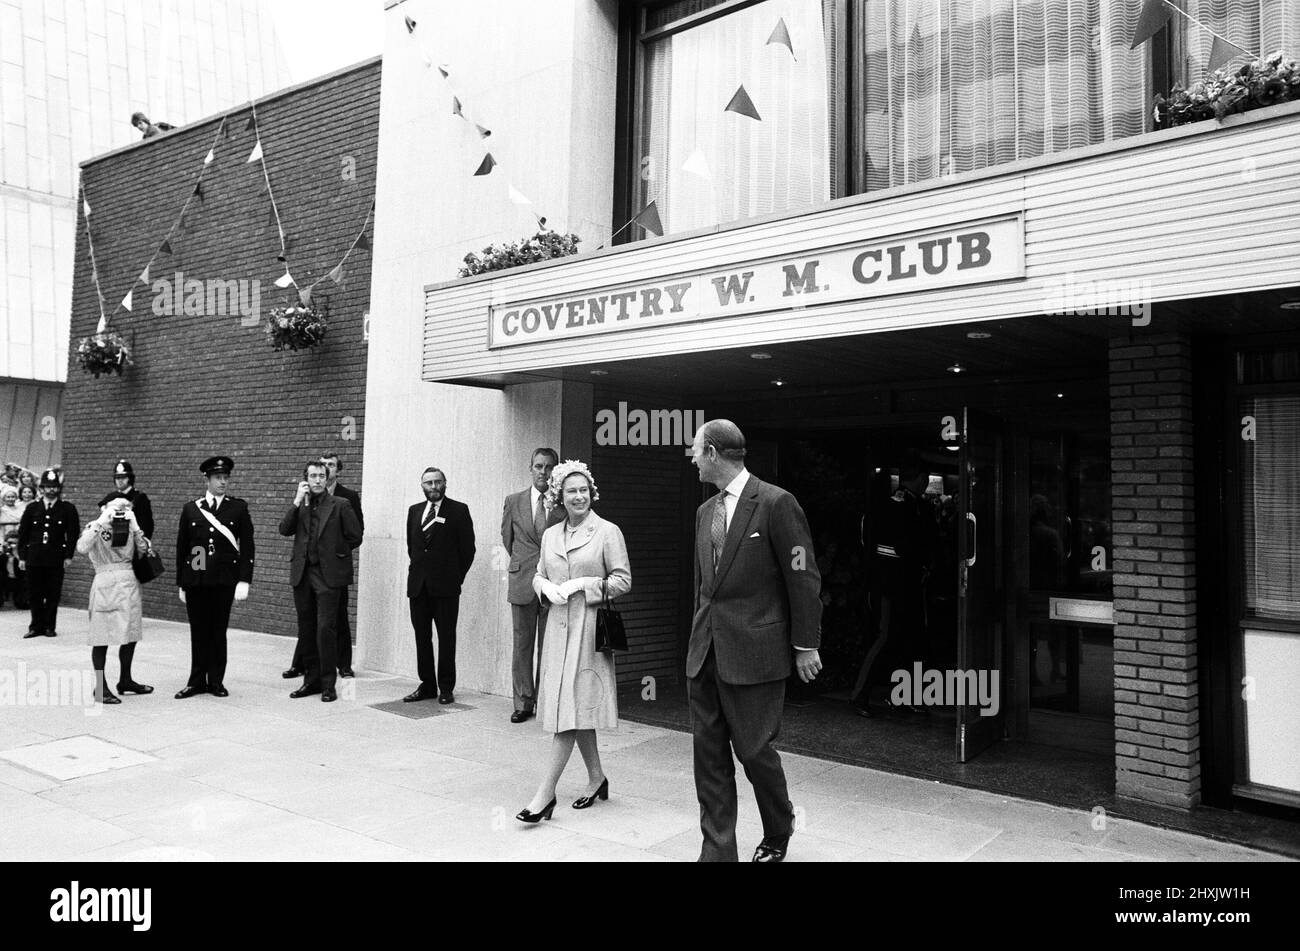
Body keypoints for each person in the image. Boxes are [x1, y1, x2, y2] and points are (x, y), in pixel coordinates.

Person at [687, 420, 822, 862]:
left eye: (694, 449)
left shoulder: (777, 503)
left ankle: (779, 829)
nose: (690, 458)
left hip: (756, 654)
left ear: (711, 453)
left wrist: (806, 644)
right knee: (708, 759)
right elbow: (704, 588)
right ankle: (718, 851)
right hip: (705, 653)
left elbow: (802, 577)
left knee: (754, 752)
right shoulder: (704, 513)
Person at [516, 460, 631, 823]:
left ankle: (544, 795)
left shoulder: (607, 531)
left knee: (569, 712)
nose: (579, 496)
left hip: (588, 630)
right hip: (557, 631)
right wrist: (544, 586)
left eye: (584, 490)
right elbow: (537, 574)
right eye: (571, 491)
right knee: (576, 708)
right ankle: (596, 779)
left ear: (591, 493)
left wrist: (585, 585)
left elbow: (623, 581)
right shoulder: (551, 535)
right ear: (559, 497)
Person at [852, 459, 936, 718]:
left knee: (908, 639)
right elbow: (897, 549)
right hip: (892, 583)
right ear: (920, 477)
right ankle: (860, 695)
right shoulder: (899, 507)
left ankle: (903, 695)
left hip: (900, 583)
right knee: (886, 637)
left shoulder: (900, 505)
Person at [278, 460, 363, 702]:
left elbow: (355, 536)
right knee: (306, 630)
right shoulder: (301, 505)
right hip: (303, 575)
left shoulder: (340, 504)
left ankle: (329, 685)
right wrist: (296, 501)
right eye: (313, 476)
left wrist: (335, 554)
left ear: (327, 479)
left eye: (321, 476)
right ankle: (311, 682)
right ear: (306, 479)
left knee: (326, 629)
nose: (317, 480)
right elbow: (284, 529)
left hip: (328, 577)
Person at [174, 456, 255, 699]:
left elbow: (247, 546)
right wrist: (182, 583)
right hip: (197, 580)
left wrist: (244, 579)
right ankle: (196, 680)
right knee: (198, 631)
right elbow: (184, 548)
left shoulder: (238, 508)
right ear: (207, 480)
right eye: (218, 478)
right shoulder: (191, 508)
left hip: (224, 581)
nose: (223, 482)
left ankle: (216, 681)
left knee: (218, 631)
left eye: (225, 477)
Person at [500, 447, 564, 723]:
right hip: (523, 581)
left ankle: (546, 700)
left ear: (555, 471)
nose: (543, 471)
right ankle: (523, 702)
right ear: (531, 468)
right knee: (522, 644)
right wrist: (524, 563)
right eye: (538, 466)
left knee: (549, 646)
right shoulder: (514, 501)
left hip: (552, 585)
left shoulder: (563, 506)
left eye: (549, 467)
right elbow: (507, 539)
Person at [404, 467, 475, 704]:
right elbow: (412, 547)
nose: (433, 487)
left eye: (437, 482)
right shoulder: (414, 511)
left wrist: (455, 577)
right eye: (428, 483)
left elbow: (468, 550)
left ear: (445, 483)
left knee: (446, 638)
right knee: (421, 637)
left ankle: (445, 687)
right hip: (418, 587)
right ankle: (427, 685)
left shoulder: (458, 510)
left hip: (446, 588)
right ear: (422, 486)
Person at [76, 496, 154, 704]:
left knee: (131, 634)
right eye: (117, 507)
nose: (122, 510)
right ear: (105, 508)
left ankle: (126, 680)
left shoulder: (130, 528)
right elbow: (82, 547)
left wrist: (136, 526)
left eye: (127, 506)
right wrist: (102, 519)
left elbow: (144, 550)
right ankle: (100, 687)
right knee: (101, 637)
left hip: (129, 583)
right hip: (105, 584)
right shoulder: (96, 526)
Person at [16, 469, 79, 639]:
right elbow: (23, 534)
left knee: (52, 593)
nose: (51, 490)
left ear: (59, 489)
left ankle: (50, 626)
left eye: (54, 487)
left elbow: (72, 534)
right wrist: (22, 556)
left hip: (55, 558)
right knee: (34, 593)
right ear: (42, 488)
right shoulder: (32, 508)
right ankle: (35, 626)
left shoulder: (67, 508)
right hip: (34, 557)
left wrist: (68, 556)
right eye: (47, 487)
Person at [97, 460, 154, 540]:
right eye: (117, 478)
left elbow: (146, 524)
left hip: (132, 542)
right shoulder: (110, 497)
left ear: (129, 478)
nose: (120, 481)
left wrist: (142, 542)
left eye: (123, 477)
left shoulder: (139, 498)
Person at [0, 485, 23, 608]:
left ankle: (19, 597)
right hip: (5, 537)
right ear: (4, 498)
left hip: (17, 537)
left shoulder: (20, 509)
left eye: (13, 496)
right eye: (8, 496)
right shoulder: (2, 510)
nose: (10, 498)